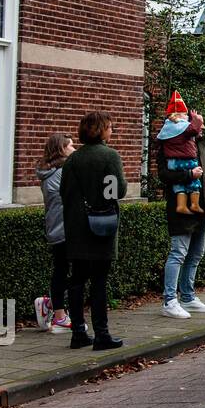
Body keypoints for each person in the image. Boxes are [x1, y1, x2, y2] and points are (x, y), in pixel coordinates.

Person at [60, 111, 127, 351]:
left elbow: (64, 194)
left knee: (76, 281)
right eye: (109, 127)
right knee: (99, 281)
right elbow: (116, 191)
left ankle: (78, 332)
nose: (112, 130)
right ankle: (101, 334)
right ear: (100, 130)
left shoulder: (73, 160)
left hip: (76, 229)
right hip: (101, 227)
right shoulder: (109, 156)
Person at [158, 109, 205, 318]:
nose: (202, 127)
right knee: (178, 253)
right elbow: (164, 175)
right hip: (181, 208)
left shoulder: (199, 142)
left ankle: (188, 296)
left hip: (202, 207)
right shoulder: (170, 145)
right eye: (197, 124)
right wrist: (188, 174)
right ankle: (169, 300)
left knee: (195, 254)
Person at [34, 133, 75, 333]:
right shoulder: (62, 172)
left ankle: (52, 304)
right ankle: (59, 313)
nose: (74, 150)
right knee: (66, 271)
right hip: (65, 227)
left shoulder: (47, 172)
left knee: (62, 269)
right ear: (61, 149)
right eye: (70, 146)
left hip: (55, 226)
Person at [157, 91, 205, 215]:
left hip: (174, 163)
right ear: (178, 115)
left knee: (180, 188)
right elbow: (193, 129)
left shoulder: (167, 131)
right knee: (194, 183)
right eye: (186, 115)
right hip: (182, 220)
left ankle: (184, 205)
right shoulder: (182, 129)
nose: (188, 118)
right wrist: (197, 119)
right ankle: (193, 205)